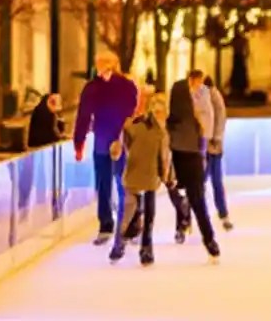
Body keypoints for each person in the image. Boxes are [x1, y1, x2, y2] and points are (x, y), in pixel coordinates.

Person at [73, 51, 139, 245]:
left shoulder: (126, 86)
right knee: (103, 184)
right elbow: (83, 116)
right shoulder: (92, 88)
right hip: (102, 141)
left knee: (125, 184)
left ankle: (130, 223)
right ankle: (106, 224)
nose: (103, 67)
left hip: (122, 141)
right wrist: (79, 142)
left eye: (107, 62)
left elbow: (133, 113)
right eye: (100, 63)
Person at [109, 93, 173, 266]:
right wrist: (166, 177)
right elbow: (164, 159)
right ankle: (146, 249)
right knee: (149, 216)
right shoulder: (161, 133)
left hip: (133, 178)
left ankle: (118, 246)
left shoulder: (135, 125)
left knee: (127, 214)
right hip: (150, 179)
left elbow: (126, 143)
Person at [167, 69, 221, 262]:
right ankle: (183, 221)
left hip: (193, 154)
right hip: (179, 151)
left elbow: (211, 115)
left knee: (197, 198)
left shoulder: (203, 96)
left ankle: (209, 239)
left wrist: (212, 137)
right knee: (176, 191)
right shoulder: (179, 92)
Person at [204, 75, 233, 231]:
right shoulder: (210, 97)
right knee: (209, 181)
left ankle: (223, 214)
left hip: (212, 147)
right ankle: (221, 214)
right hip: (208, 146)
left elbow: (220, 119)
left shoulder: (213, 98)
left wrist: (215, 138)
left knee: (213, 181)